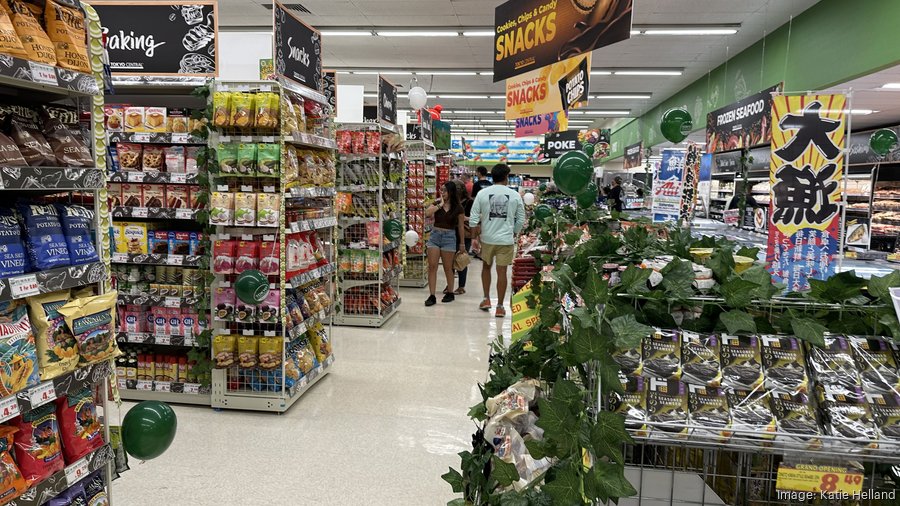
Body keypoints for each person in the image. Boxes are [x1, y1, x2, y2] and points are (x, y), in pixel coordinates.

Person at [470, 164, 526, 317]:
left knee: (486, 268)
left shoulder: (482, 193)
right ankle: (500, 307)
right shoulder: (514, 195)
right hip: (506, 240)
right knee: (502, 272)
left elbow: (474, 218)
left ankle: (486, 299)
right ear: (506, 177)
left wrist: (475, 237)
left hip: (487, 239)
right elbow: (521, 219)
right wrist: (514, 232)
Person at [424, 181, 466, 306]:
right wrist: (440, 204)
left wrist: (462, 243)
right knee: (432, 267)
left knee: (448, 268)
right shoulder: (437, 203)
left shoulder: (458, 208)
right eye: (441, 190)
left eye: (444, 190)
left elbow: (461, 227)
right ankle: (432, 295)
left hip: (449, 238)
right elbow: (427, 213)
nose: (442, 192)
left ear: (451, 192)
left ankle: (450, 293)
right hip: (435, 236)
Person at [451, 179, 474, 295]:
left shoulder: (470, 202)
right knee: (449, 260)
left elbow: (476, 217)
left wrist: (464, 218)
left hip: (465, 234)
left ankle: (461, 286)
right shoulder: (451, 201)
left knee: (461, 259)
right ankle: (449, 284)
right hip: (450, 232)